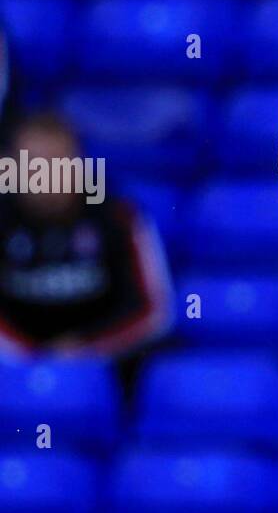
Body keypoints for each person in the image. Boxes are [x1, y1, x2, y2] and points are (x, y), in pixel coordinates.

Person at [0, 111, 173, 366]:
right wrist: (34, 360)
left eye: (57, 163)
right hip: (14, 371)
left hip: (107, 370)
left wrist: (83, 351)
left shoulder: (118, 217)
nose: (45, 177)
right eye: (33, 165)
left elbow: (153, 312)